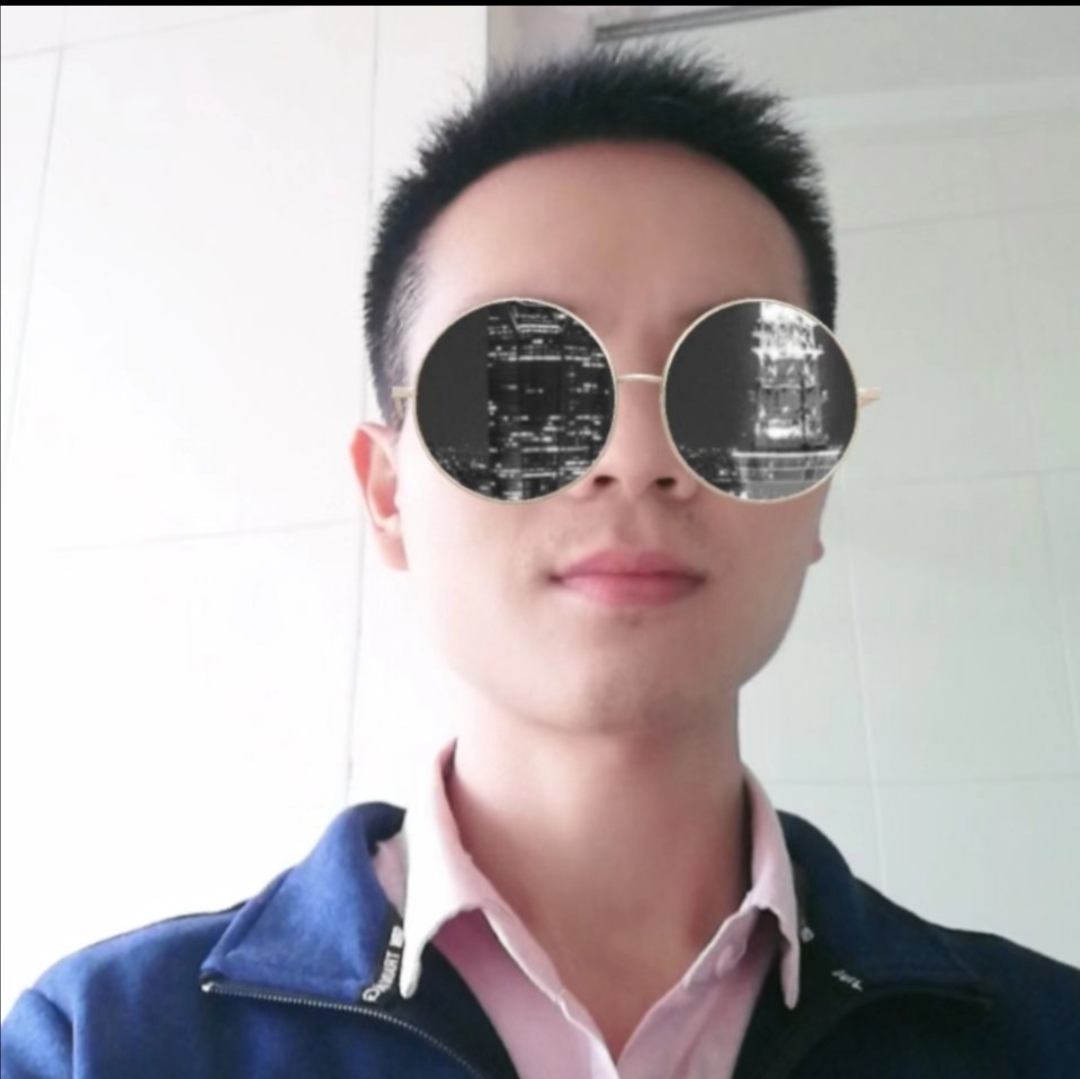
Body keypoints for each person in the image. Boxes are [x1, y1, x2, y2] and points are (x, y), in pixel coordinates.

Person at [2, 46, 1077, 1079]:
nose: (637, 456)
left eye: (733, 387)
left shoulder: (1045, 1039)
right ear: (389, 494)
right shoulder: (105, 1044)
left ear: (817, 489)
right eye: (519, 385)